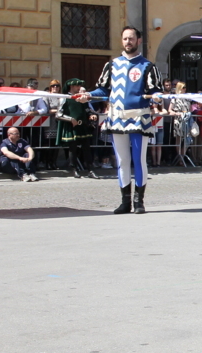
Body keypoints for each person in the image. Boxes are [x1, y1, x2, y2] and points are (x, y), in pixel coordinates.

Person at [75, 26, 162, 214]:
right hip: (116, 118)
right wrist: (88, 95)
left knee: (139, 160)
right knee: (122, 161)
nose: (127, 42)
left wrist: (157, 97)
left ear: (138, 40)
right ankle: (125, 202)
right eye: (125, 39)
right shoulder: (112, 65)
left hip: (139, 117)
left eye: (131, 38)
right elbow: (103, 90)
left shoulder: (147, 66)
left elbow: (155, 91)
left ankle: (139, 201)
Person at [55, 79, 98, 179]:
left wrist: (91, 115)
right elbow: (58, 114)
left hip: (83, 126)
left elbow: (87, 110)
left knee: (87, 148)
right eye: (77, 86)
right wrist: (70, 119)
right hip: (72, 127)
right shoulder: (65, 98)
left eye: (79, 86)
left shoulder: (82, 98)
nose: (79, 88)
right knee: (72, 149)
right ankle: (74, 169)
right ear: (71, 86)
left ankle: (90, 170)